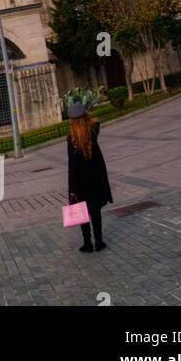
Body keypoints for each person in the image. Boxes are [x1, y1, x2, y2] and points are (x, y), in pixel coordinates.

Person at [67, 100, 113, 252]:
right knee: (95, 212)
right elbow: (96, 120)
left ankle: (87, 243)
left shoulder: (71, 139)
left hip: (80, 182)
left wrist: (72, 188)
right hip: (95, 179)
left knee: (82, 213)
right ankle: (99, 242)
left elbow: (72, 166)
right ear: (84, 116)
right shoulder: (93, 131)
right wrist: (85, 113)